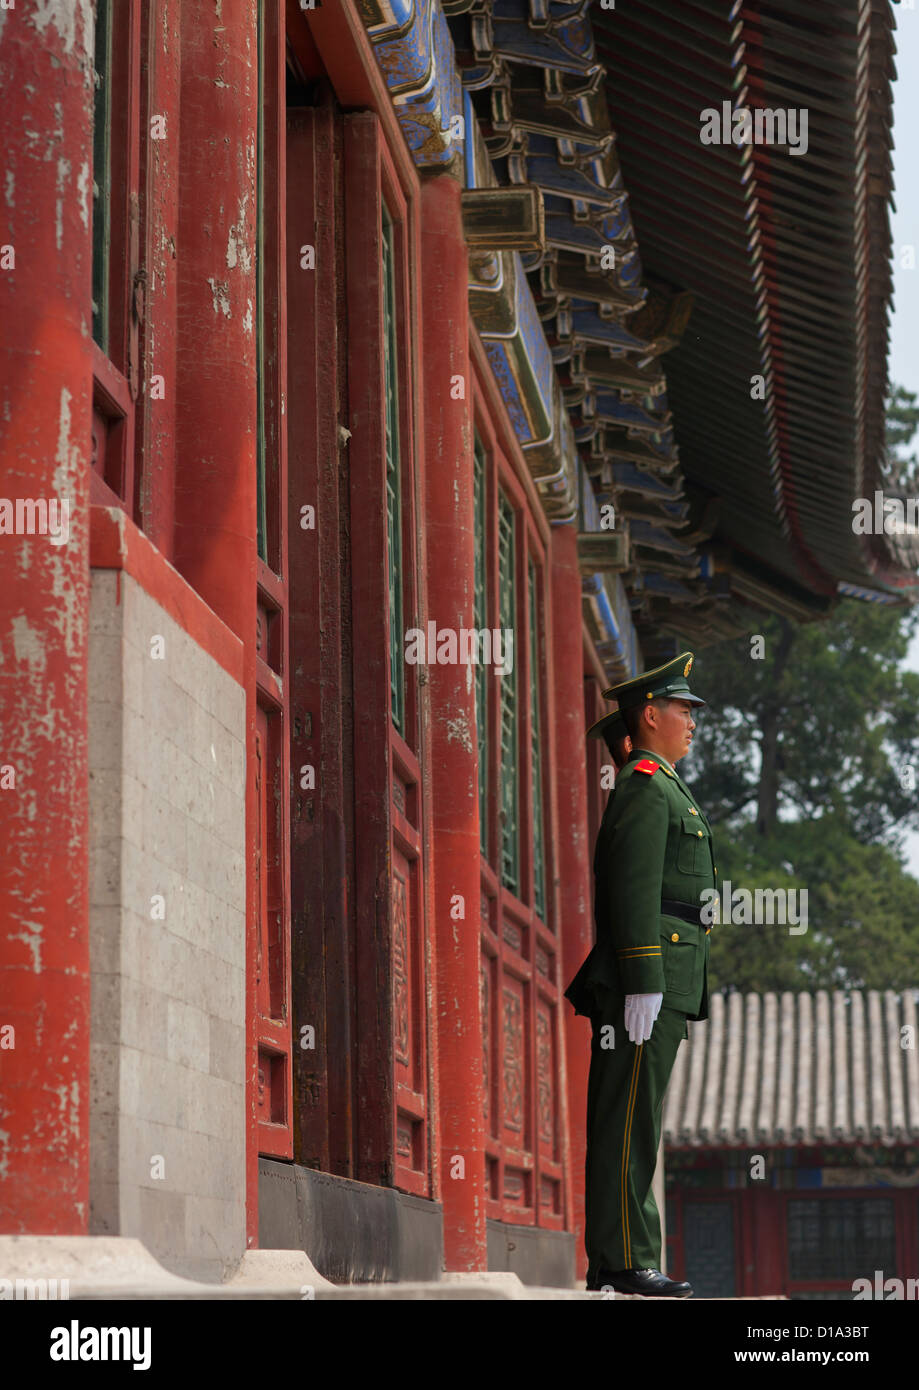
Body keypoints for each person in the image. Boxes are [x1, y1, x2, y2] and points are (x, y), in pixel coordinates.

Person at [566, 651, 716, 1297]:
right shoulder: (644, 785)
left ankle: (620, 1258)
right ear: (649, 715)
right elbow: (630, 889)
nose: (691, 723)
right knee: (626, 1121)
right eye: (683, 711)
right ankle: (625, 1261)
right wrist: (641, 976)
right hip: (646, 975)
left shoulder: (663, 783)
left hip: (669, 971)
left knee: (639, 1121)